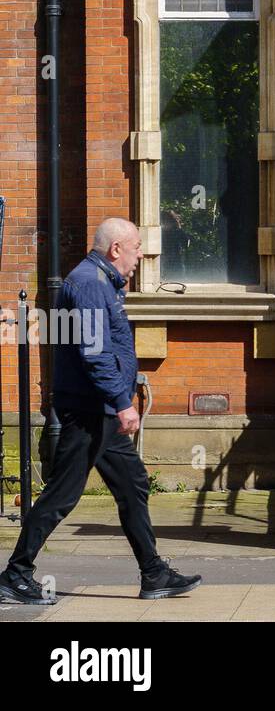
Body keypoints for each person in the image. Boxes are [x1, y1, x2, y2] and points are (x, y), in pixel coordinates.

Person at [0, 219, 201, 604]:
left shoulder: (99, 280)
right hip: (90, 411)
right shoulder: (90, 283)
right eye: (137, 247)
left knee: (132, 485)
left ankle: (154, 573)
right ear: (116, 250)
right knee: (62, 495)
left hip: (101, 410)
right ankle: (15, 574)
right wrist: (123, 402)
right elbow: (96, 353)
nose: (141, 255)